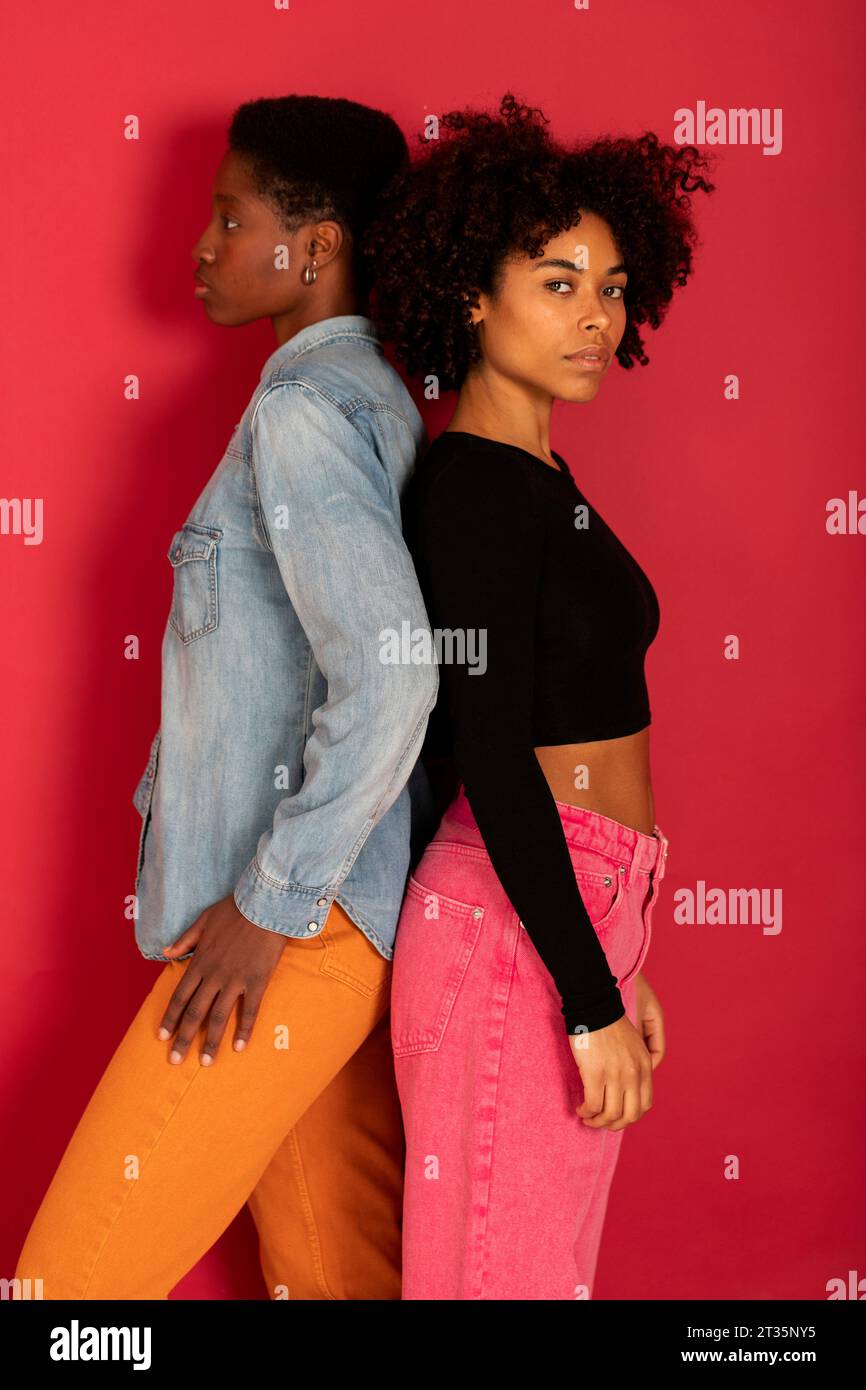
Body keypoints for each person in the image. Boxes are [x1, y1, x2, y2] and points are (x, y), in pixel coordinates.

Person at [14, 94, 438, 1301]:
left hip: (288, 941)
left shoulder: (307, 412)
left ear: (315, 245)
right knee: (335, 1280)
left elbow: (394, 663)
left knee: (71, 1293)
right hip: (324, 933)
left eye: (228, 216)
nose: (202, 246)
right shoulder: (365, 399)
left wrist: (272, 905)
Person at [363, 91, 716, 1300]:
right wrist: (583, 988)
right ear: (471, 293)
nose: (596, 316)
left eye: (610, 287)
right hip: (517, 928)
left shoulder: (536, 474)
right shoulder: (469, 489)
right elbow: (490, 750)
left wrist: (613, 955)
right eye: (558, 281)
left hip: (563, 909)